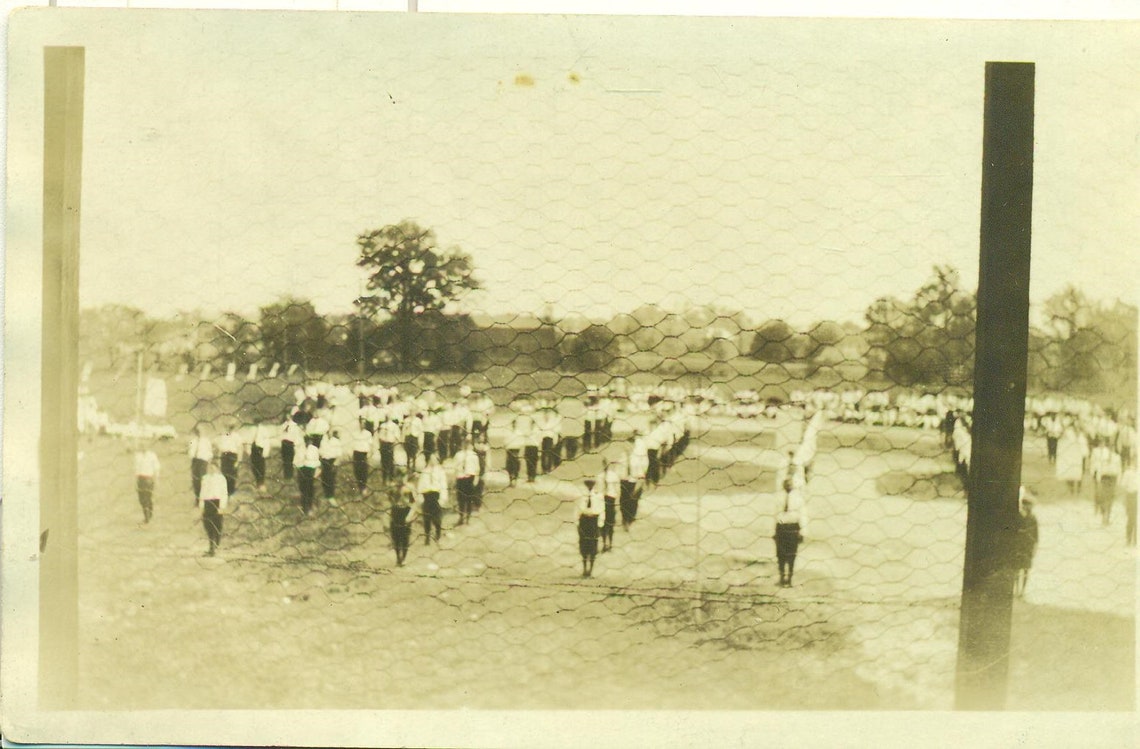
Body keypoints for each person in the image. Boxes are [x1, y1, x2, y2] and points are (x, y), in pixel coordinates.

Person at [774, 478, 805, 587]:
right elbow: (775, 513)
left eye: (790, 484)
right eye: (786, 484)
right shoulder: (779, 497)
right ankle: (782, 577)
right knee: (780, 554)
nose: (788, 486)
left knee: (791, 554)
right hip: (781, 527)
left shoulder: (797, 498)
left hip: (793, 527)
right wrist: (774, 530)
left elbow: (802, 515)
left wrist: (802, 532)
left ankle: (790, 578)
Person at [197, 461, 229, 556]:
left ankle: (215, 545)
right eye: (210, 468)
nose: (212, 469)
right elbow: (202, 492)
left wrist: (222, 506)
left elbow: (224, 493)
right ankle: (211, 546)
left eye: (214, 468)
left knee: (217, 525)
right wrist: (202, 505)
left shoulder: (221, 479)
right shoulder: (205, 478)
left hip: (217, 502)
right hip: (208, 503)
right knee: (208, 525)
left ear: (217, 468)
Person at [417, 455, 448, 545]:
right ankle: (427, 537)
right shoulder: (425, 471)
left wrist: (443, 497)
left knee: (436, 517)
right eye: (431, 459)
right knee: (426, 517)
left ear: (437, 461)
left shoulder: (440, 471)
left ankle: (438, 533)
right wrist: (420, 496)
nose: (432, 461)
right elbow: (420, 484)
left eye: (435, 460)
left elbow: (443, 485)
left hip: (435, 495)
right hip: (426, 495)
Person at [1090, 439, 1122, 525]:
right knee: (1103, 497)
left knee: (1110, 499)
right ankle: (1103, 514)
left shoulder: (1117, 457)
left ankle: (1107, 518)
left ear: (1115, 448)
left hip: (1112, 479)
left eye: (1113, 447)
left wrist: (1118, 481)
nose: (1111, 449)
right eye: (1110, 447)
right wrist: (1098, 477)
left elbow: (1119, 469)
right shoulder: (1103, 457)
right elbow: (1100, 467)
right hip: (1104, 478)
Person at [1014, 489, 1039, 598]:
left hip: (1027, 547)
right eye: (1025, 504)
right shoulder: (1017, 516)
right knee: (1016, 569)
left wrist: (1034, 548)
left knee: (1025, 569)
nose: (1027, 507)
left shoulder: (1033, 519)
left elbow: (1036, 535)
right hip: (1017, 546)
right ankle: (1015, 590)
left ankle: (1022, 591)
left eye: (1029, 505)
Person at [577, 478, 602, 578]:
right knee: (584, 544)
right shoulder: (581, 496)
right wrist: (577, 523)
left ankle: (590, 570)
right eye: (588, 485)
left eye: (591, 485)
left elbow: (601, 509)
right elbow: (577, 509)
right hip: (584, 520)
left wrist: (600, 525)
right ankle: (584, 569)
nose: (590, 487)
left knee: (593, 545)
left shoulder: (598, 496)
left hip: (593, 520)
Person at [389, 483, 418, 566]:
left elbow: (414, 504)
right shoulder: (393, 487)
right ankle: (398, 557)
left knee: (405, 538)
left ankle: (404, 558)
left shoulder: (409, 488)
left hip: (405, 512)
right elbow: (390, 501)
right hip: (396, 512)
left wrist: (411, 516)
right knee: (396, 538)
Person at [454, 439, 480, 525]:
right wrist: (456, 478)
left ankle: (468, 517)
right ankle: (461, 517)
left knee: (469, 499)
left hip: (469, 478)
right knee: (461, 499)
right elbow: (455, 467)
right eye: (464, 444)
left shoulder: (473, 455)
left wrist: (476, 480)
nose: (466, 446)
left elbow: (477, 469)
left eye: (467, 444)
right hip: (461, 478)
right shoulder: (458, 455)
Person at [1056, 425, 1087, 496]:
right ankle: (1071, 488)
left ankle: (1079, 488)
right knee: (1070, 471)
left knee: (1080, 472)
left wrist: (1084, 453)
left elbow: (1084, 446)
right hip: (1071, 456)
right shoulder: (1068, 434)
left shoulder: (1082, 436)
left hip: (1081, 455)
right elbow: (1063, 442)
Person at [134, 445, 160, 523]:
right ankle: (148, 512)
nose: (143, 447)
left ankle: (147, 516)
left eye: (145, 445)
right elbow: (136, 469)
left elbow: (157, 468)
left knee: (147, 497)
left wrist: (156, 479)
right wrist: (136, 481)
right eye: (142, 445)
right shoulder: (137, 456)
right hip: (140, 479)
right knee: (141, 499)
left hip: (149, 478)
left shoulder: (152, 455)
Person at [599, 459, 620, 552]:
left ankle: (610, 544)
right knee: (603, 524)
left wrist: (616, 503)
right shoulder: (599, 476)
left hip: (611, 500)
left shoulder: (614, 476)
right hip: (602, 501)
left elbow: (617, 489)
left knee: (610, 524)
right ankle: (604, 544)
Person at [188, 427, 213, 504]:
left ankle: (204, 498)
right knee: (195, 479)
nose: (199, 433)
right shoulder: (193, 441)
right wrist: (192, 457)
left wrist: (208, 461)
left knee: (203, 479)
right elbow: (190, 450)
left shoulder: (206, 441)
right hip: (195, 460)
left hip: (203, 461)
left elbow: (210, 451)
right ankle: (197, 498)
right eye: (197, 432)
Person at [319, 429, 344, 506]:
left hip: (332, 461)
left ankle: (331, 497)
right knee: (324, 479)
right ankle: (326, 496)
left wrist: (336, 463)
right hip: (324, 461)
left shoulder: (336, 441)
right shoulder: (323, 441)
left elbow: (339, 455)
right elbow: (320, 452)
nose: (328, 433)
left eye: (329, 432)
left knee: (331, 479)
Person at [295, 441, 320, 515]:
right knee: (303, 489)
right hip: (302, 469)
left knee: (309, 489)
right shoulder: (300, 448)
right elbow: (296, 461)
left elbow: (316, 462)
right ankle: (305, 507)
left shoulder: (314, 449)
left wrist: (316, 472)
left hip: (310, 470)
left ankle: (309, 506)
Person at [249, 419, 275, 494]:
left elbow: (267, 442)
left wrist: (265, 452)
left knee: (260, 467)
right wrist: (249, 451)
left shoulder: (264, 430)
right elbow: (249, 440)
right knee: (254, 467)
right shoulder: (252, 429)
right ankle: (257, 483)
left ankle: (261, 484)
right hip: (253, 449)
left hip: (260, 449)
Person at [350, 426, 374, 496]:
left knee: (364, 471)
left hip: (363, 454)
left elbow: (371, 444)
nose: (361, 424)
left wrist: (370, 454)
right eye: (360, 421)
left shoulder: (368, 434)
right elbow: (352, 444)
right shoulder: (355, 433)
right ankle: (359, 486)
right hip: (356, 453)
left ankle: (364, 488)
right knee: (357, 470)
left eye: (363, 422)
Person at [280, 417, 303, 481]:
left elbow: (296, 436)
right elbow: (280, 434)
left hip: (290, 444)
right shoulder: (283, 425)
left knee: (289, 460)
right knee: (285, 460)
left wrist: (295, 444)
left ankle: (289, 475)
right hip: (284, 443)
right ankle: (286, 475)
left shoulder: (294, 426)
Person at [1122, 462, 1137, 547]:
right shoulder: (1128, 472)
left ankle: (1136, 540)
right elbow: (1124, 485)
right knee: (1131, 518)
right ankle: (1129, 538)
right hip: (1131, 495)